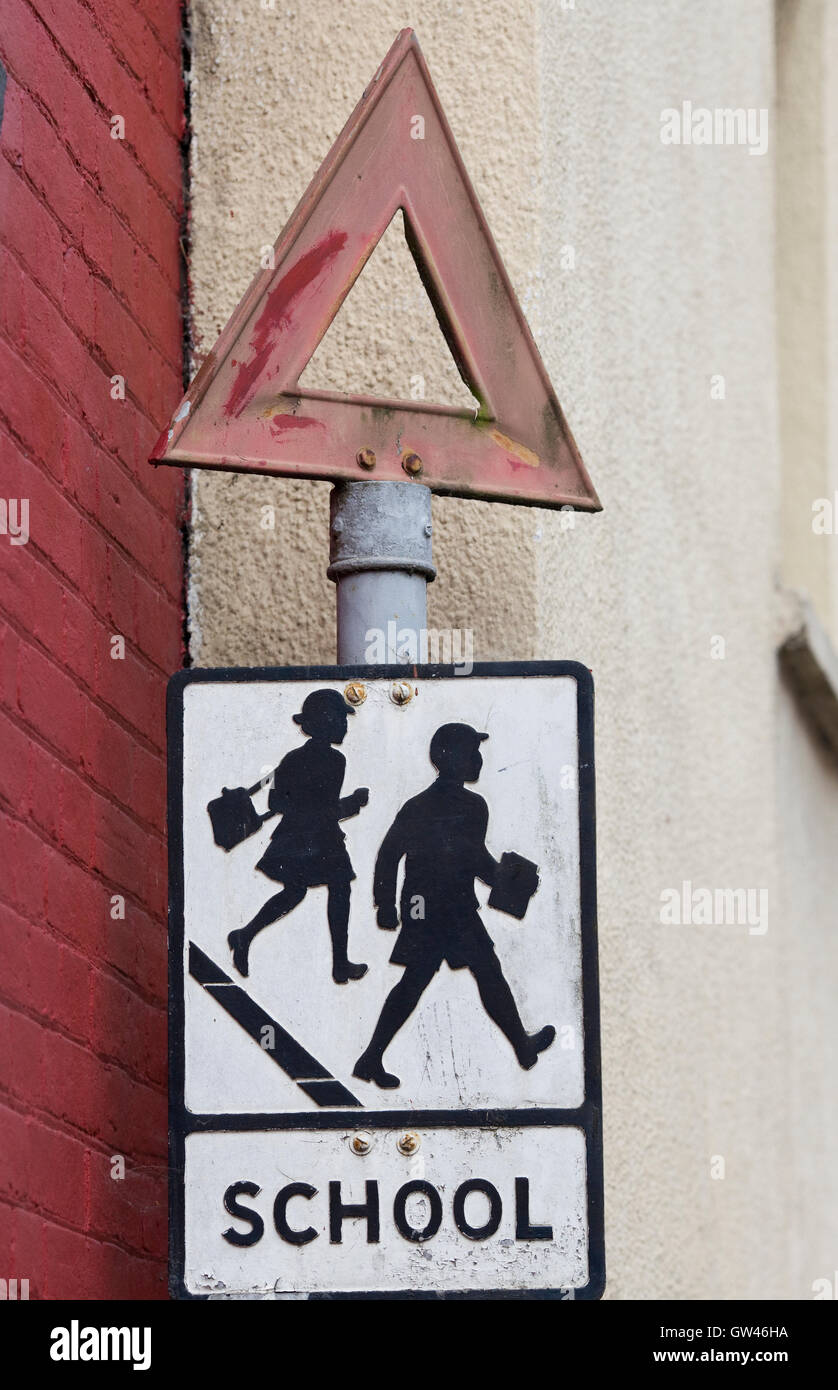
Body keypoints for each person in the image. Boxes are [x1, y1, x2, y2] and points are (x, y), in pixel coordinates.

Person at [353, 722, 555, 1088]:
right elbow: (393, 854)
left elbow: (472, 859)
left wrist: (514, 882)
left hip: (447, 907)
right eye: (472, 752)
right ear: (451, 758)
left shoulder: (459, 806)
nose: (479, 759)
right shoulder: (438, 806)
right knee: (422, 982)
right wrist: (384, 905)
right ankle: (371, 1057)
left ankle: (522, 1046)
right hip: (433, 909)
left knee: (478, 972)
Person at [227, 689, 368, 983]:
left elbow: (277, 802)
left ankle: (244, 934)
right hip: (317, 840)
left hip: (295, 839)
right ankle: (339, 963)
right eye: (341, 718)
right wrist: (353, 803)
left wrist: (303, 807)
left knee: (296, 892)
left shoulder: (292, 758)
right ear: (326, 721)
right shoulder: (335, 761)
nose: (345, 725)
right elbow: (328, 810)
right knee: (338, 888)